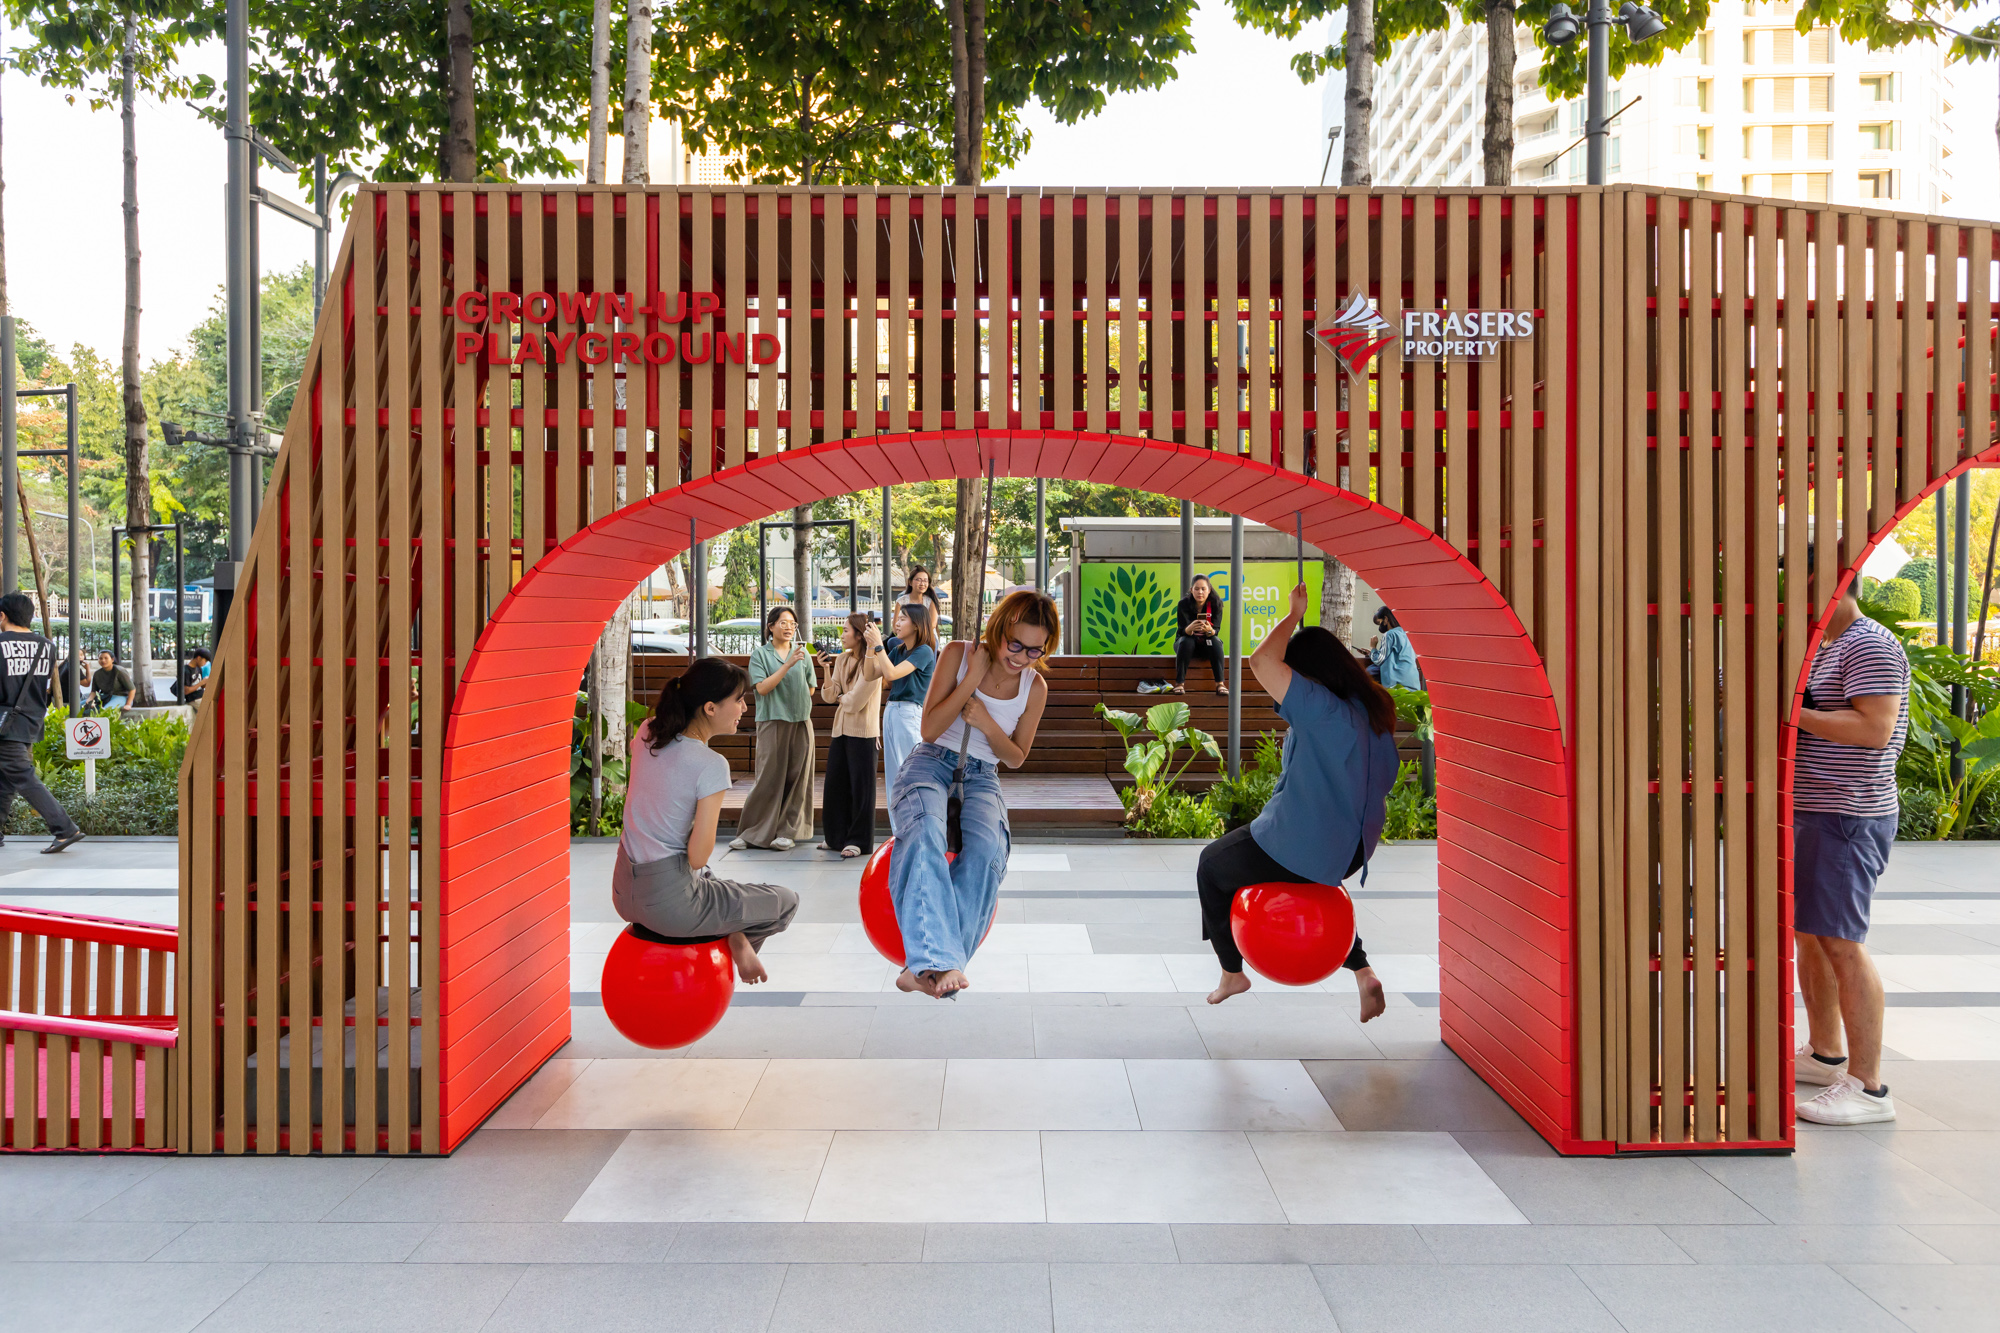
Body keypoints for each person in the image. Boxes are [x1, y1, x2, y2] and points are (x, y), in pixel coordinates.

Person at [1197, 583, 1395, 1016]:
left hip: (1302, 843)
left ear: (1306, 673)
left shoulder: (1321, 707)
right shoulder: (1369, 710)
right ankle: (1364, 972)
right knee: (1315, 879)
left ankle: (1232, 971)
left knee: (1212, 866)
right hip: (1350, 851)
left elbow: (1260, 661)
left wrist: (1292, 615)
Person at [888, 589, 1057, 998]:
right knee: (926, 830)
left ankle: (927, 969)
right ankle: (936, 964)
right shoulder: (958, 655)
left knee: (986, 850)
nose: (1020, 657)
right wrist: (971, 682)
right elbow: (929, 729)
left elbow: (1015, 756)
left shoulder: (1035, 688)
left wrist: (984, 721)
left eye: (1034, 651)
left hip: (982, 775)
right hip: (931, 760)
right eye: (1013, 643)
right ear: (998, 628)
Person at [1793, 579, 1909, 1125]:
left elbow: (1874, 728)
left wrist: (1791, 715)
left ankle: (1868, 1088)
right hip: (1817, 811)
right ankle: (1825, 1053)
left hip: (1848, 815)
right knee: (1813, 935)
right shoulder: (1826, 644)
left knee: (1841, 943)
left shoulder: (1869, 643)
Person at [615, 656, 797, 984]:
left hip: (623, 891)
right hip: (671, 908)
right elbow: (698, 855)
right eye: (739, 700)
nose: (744, 708)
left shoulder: (647, 732)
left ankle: (732, 932)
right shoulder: (711, 764)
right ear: (710, 708)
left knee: (706, 875)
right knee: (784, 901)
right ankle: (735, 940)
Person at [0, 592, 83, 853]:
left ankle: (64, 828)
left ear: (2, 615)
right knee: (5, 779)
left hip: (4, 721)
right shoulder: (47, 646)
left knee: (21, 775)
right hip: (31, 718)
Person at [732, 606, 817, 851]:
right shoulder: (760, 655)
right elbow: (761, 688)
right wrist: (787, 665)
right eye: (783, 623)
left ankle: (787, 832)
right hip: (771, 720)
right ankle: (751, 832)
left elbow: (811, 688)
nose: (789, 627)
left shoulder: (803, 654)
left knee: (797, 779)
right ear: (770, 627)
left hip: (801, 721)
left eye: (792, 623)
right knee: (768, 777)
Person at [818, 613, 883, 858]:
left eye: (846, 631)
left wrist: (839, 698)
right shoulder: (842, 659)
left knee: (861, 789)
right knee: (835, 785)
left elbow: (855, 702)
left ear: (859, 634)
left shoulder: (874, 662)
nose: (842, 635)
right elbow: (828, 695)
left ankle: (859, 841)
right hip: (841, 730)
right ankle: (835, 837)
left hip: (864, 733)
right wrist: (825, 668)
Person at [866, 601, 938, 819]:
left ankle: (916, 823)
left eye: (903, 618)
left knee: (909, 772)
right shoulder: (898, 651)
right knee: (894, 776)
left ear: (916, 624)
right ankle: (899, 830)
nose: (897, 623)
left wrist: (879, 646)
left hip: (909, 713)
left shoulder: (924, 651)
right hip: (892, 712)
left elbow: (892, 675)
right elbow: (870, 674)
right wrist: (871, 647)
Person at [1174, 574, 1227, 695]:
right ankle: (1180, 684)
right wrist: (1189, 629)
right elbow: (1181, 630)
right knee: (1186, 640)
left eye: (1203, 589)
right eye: (1196, 589)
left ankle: (1220, 684)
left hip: (1206, 644)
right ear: (1191, 590)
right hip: (1186, 644)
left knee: (1215, 641)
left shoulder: (1216, 604)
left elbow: (1216, 630)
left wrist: (1209, 630)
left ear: (1209, 590)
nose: (1200, 592)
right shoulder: (1183, 604)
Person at [1367, 606, 1422, 690]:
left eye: (1379, 622)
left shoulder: (1389, 634)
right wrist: (1371, 653)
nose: (1380, 627)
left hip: (1397, 686)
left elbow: (1379, 660)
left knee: (1368, 673)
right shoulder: (1405, 632)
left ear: (1385, 619)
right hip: (1412, 683)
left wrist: (1373, 647)